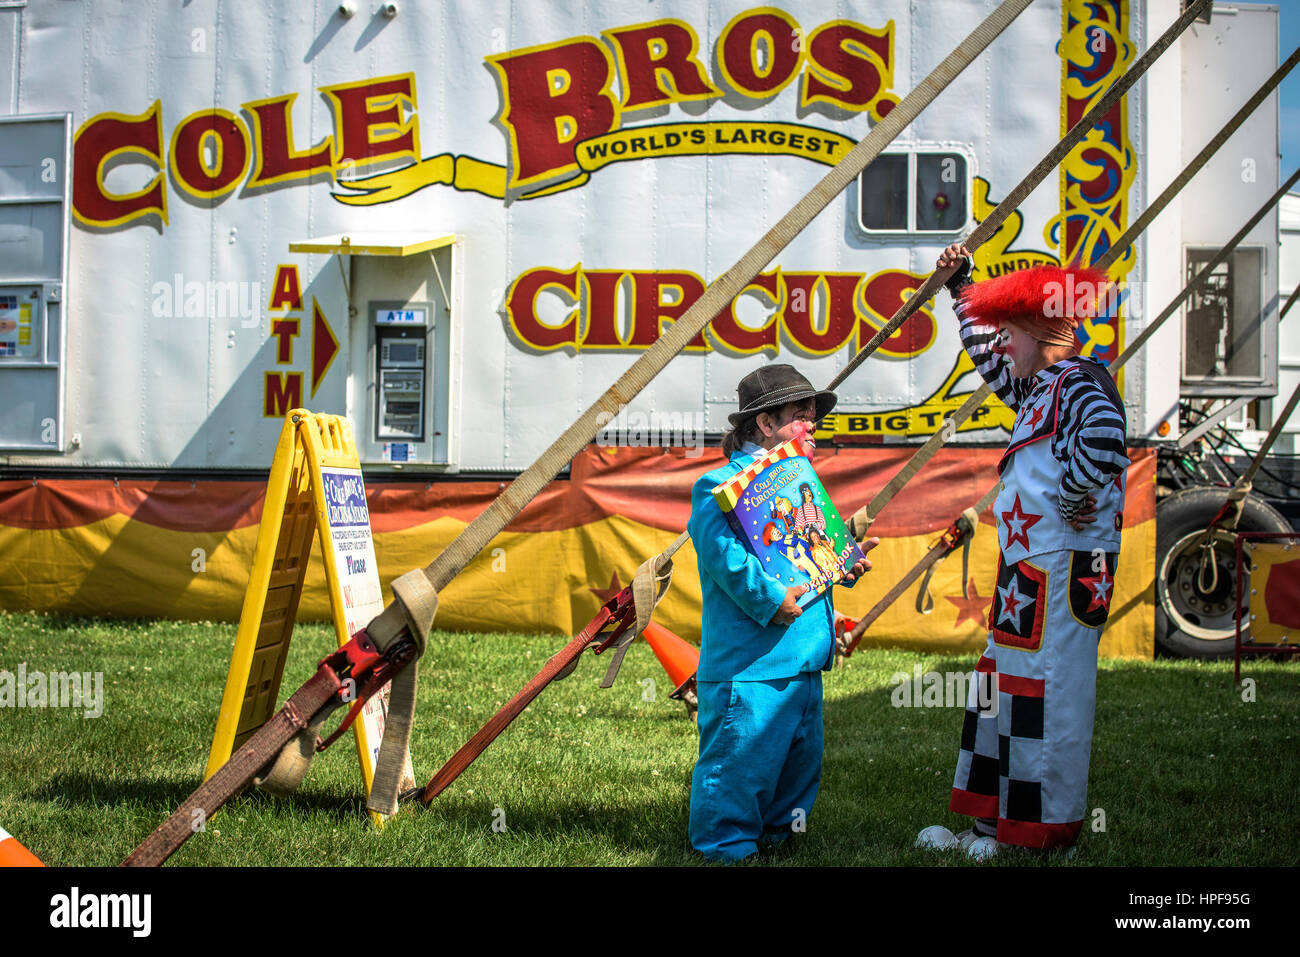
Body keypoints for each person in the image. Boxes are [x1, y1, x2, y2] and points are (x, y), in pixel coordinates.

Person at [917, 244, 1129, 858]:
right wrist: (965, 288)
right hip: (1027, 573)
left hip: (1063, 570)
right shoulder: (1037, 387)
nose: (1000, 344)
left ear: (1040, 331)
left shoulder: (1079, 383)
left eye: (1010, 332)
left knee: (1049, 693)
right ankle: (992, 825)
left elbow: (1106, 441)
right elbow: (985, 353)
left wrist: (1074, 494)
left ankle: (1038, 834)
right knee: (1003, 686)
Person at [687, 363, 877, 862]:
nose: (812, 425)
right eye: (800, 415)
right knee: (741, 760)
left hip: (804, 657)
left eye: (812, 416)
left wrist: (844, 561)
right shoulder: (717, 485)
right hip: (750, 665)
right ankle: (726, 845)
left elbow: (804, 547)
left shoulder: (798, 479)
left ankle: (776, 838)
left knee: (796, 760)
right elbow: (725, 559)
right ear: (766, 424)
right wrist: (771, 600)